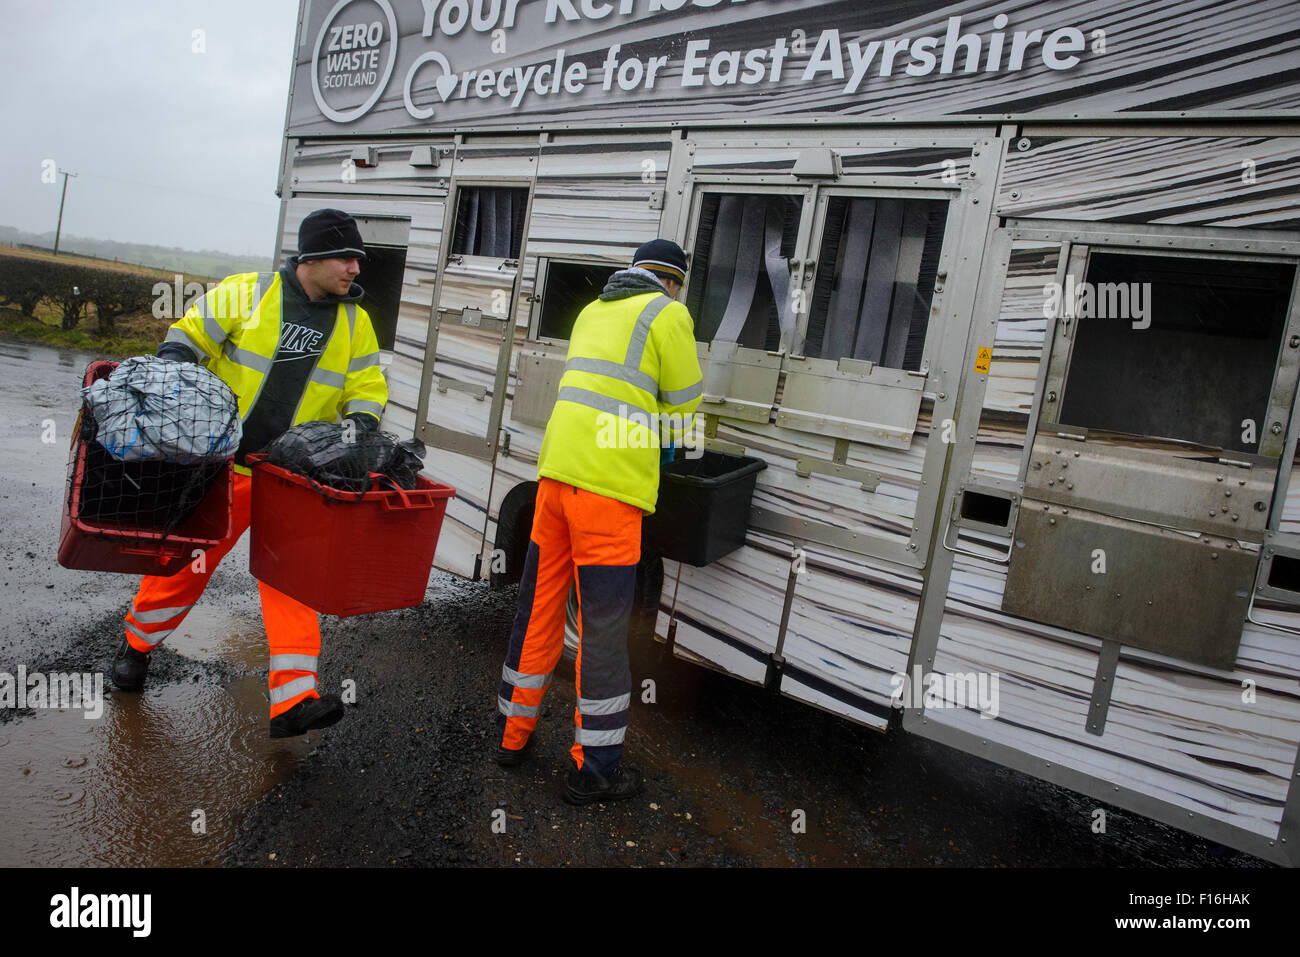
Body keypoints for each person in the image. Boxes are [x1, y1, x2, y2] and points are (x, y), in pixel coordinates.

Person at [111, 208, 388, 739]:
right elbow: (189, 337)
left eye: (359, 260)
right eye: (347, 257)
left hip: (293, 480)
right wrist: (173, 367)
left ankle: (292, 702)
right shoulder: (248, 291)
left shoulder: (355, 321)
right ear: (312, 257)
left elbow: (367, 384)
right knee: (187, 568)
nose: (356, 268)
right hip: (222, 468)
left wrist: (361, 421)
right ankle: (137, 647)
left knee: (293, 583)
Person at [496, 238, 704, 803]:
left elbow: (606, 391)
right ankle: (596, 769)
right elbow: (685, 413)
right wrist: (670, 444)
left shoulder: (593, 309)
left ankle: (511, 738)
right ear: (673, 281)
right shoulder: (669, 313)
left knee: (537, 611)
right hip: (608, 495)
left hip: (555, 481)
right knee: (604, 632)